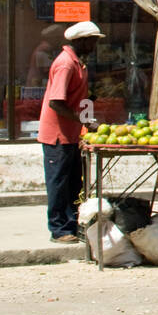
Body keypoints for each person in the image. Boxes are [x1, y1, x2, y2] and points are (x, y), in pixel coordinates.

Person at [39, 20, 103, 243]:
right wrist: (82, 119)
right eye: (93, 41)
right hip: (58, 135)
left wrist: (87, 119)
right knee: (59, 183)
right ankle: (58, 229)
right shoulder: (66, 64)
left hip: (73, 133)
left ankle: (72, 224)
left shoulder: (79, 63)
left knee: (75, 183)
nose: (95, 46)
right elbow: (56, 102)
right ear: (83, 41)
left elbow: (80, 99)